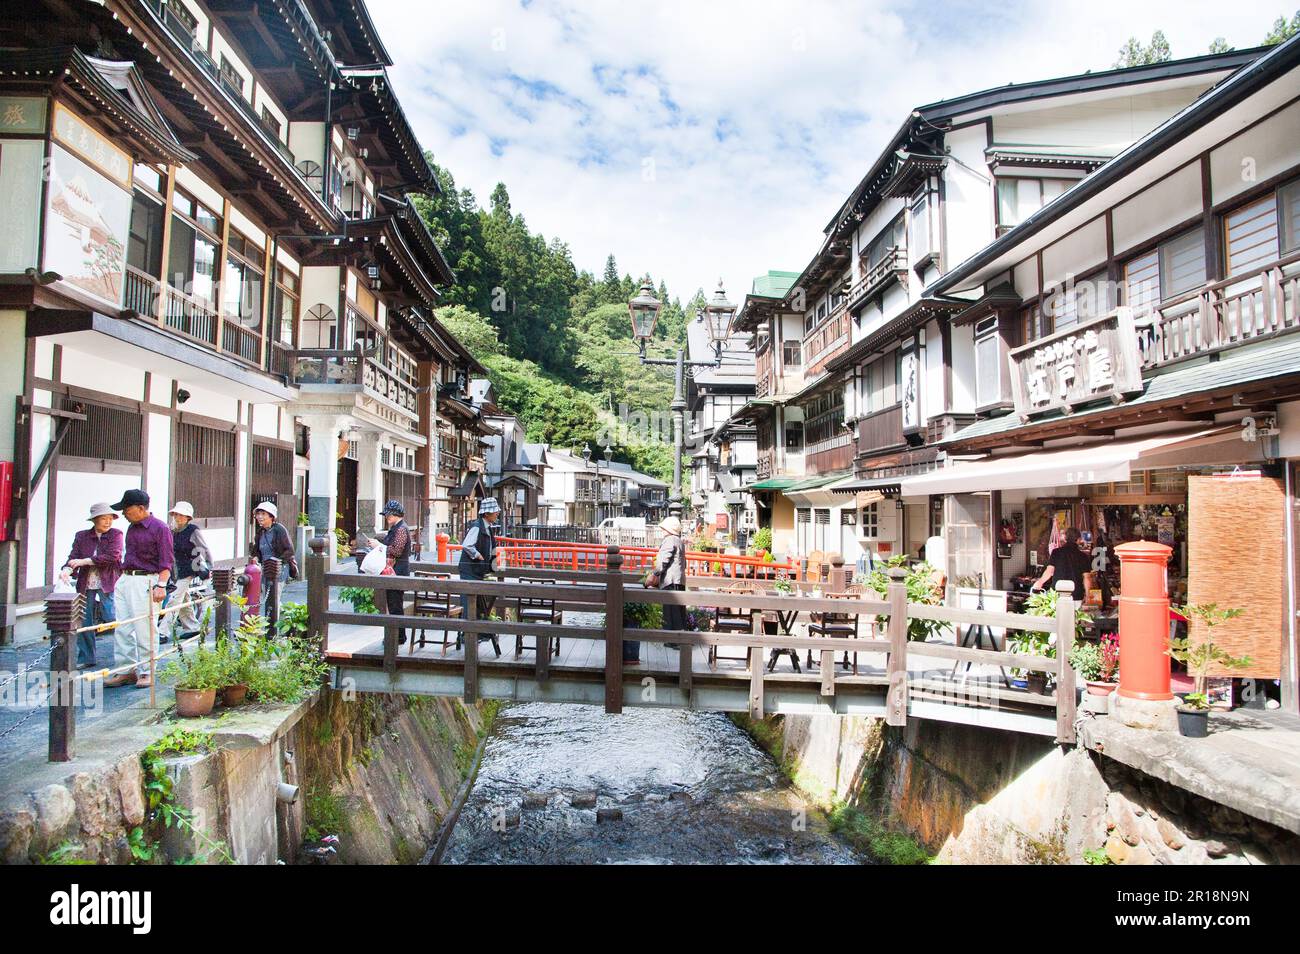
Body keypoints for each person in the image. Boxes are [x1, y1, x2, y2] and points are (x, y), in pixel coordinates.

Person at [105, 490, 173, 688]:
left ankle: (146, 670)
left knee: (145, 628)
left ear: (141, 508)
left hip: (146, 580)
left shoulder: (160, 528)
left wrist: (161, 585)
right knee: (123, 627)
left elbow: (166, 560)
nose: (124, 513)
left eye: (127, 509)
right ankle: (125, 669)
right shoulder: (132, 528)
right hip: (126, 578)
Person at [60, 502, 124, 669]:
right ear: (94, 520)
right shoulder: (82, 536)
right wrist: (66, 570)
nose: (108, 522)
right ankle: (87, 657)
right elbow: (73, 557)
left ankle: (126, 656)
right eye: (104, 518)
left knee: (113, 617)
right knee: (84, 620)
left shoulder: (116, 534)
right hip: (86, 583)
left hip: (109, 581)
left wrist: (85, 561)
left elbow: (113, 556)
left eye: (110, 518)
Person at [457, 497, 502, 657]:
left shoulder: (488, 527)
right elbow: (467, 545)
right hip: (470, 570)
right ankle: (467, 635)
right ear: (487, 513)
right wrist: (479, 556)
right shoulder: (477, 527)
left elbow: (492, 548)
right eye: (495, 511)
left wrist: (493, 564)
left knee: (476, 603)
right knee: (470, 602)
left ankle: (474, 633)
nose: (497, 513)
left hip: (477, 571)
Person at [164, 501, 212, 643]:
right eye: (176, 514)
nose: (178, 517)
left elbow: (204, 549)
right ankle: (192, 627)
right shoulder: (171, 530)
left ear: (188, 517)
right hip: (175, 570)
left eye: (182, 515)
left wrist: (210, 566)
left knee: (174, 599)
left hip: (190, 568)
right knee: (182, 598)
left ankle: (162, 631)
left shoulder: (192, 530)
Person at [649, 515, 687, 662]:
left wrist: (654, 574)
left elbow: (663, 560)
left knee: (671, 610)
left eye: (664, 528)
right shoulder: (679, 540)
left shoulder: (670, 540)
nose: (662, 530)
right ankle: (676, 639)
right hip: (678, 579)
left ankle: (673, 639)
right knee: (677, 610)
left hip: (670, 579)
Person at [250, 501, 297, 614]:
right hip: (266, 569)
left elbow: (290, 550)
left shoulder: (279, 529)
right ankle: (281, 618)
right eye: (258, 514)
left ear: (271, 516)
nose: (259, 517)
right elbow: (256, 551)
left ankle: (272, 625)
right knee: (268, 596)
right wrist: (256, 558)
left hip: (279, 568)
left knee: (274, 596)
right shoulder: (260, 532)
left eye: (263, 514)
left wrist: (277, 561)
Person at [378, 500, 412, 645]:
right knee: (393, 604)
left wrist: (378, 546)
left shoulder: (401, 529)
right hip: (395, 570)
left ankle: (398, 637)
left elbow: (397, 550)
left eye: (388, 514)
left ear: (395, 514)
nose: (387, 517)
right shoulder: (396, 528)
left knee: (395, 604)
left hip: (398, 570)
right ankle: (397, 636)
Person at [1034, 527, 1090, 598]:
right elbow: (1087, 578)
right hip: (1076, 595)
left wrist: (1040, 582)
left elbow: (1050, 571)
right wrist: (1088, 596)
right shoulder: (1083, 556)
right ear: (1079, 539)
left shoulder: (1056, 552)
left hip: (1057, 595)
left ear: (1065, 538)